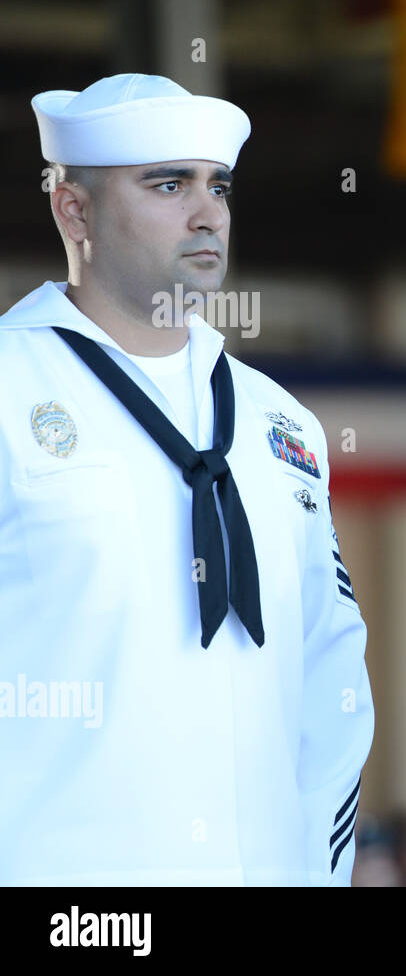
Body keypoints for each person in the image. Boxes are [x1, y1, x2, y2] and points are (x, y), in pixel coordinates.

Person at [0, 73, 374, 884]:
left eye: (218, 186)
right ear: (74, 210)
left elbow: (333, 679)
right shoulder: (9, 386)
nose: (207, 213)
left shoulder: (285, 428)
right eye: (167, 184)